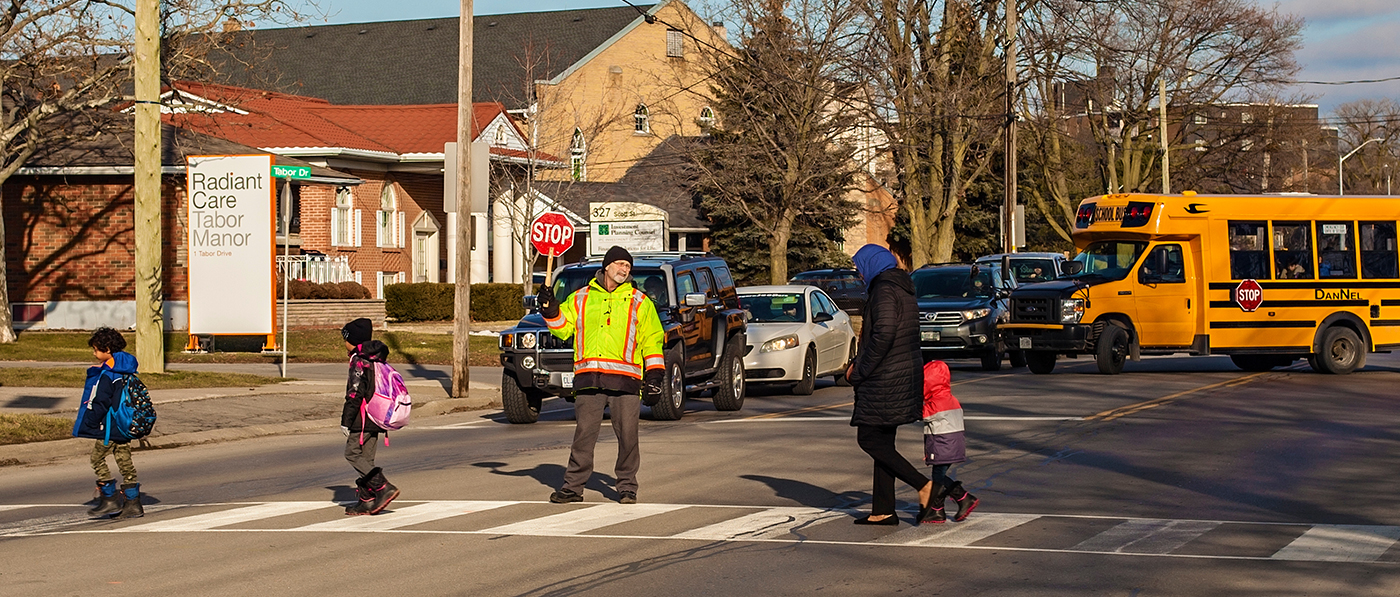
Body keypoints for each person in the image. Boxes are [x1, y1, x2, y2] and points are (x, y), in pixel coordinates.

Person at [537, 246, 666, 505]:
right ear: (606, 266)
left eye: (628, 266)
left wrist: (654, 378)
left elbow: (652, 341)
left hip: (625, 381)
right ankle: (573, 488)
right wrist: (550, 309)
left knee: (628, 436)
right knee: (583, 435)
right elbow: (563, 329)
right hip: (589, 380)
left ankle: (627, 487)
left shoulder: (639, 302)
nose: (624, 269)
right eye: (619, 264)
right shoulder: (580, 298)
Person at [845, 244, 939, 525]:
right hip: (901, 376)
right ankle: (883, 510)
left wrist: (859, 370)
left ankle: (925, 486)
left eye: (860, 268)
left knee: (869, 439)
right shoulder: (902, 287)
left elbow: (883, 334)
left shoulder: (883, 290)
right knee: (883, 441)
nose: (859, 274)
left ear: (872, 265)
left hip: (885, 379)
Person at [74, 327, 145, 519]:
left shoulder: (108, 374)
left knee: (96, 459)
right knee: (125, 461)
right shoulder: (127, 369)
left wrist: (89, 421)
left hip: (110, 427)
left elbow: (101, 402)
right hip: (125, 424)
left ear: (106, 349)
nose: (94, 353)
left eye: (96, 349)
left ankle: (109, 498)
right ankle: (133, 504)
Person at [340, 317, 400, 515]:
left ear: (354, 340)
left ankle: (382, 487)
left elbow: (354, 393)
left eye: (345, 339)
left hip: (362, 417)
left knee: (352, 453)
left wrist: (346, 421)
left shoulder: (359, 360)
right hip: (378, 414)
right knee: (366, 458)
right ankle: (367, 499)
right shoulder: (377, 357)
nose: (343, 343)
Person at [921, 360, 979, 523]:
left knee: (939, 478)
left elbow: (922, 414)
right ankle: (939, 509)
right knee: (939, 476)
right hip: (952, 444)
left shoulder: (936, 403)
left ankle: (961, 498)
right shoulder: (950, 398)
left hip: (943, 444)